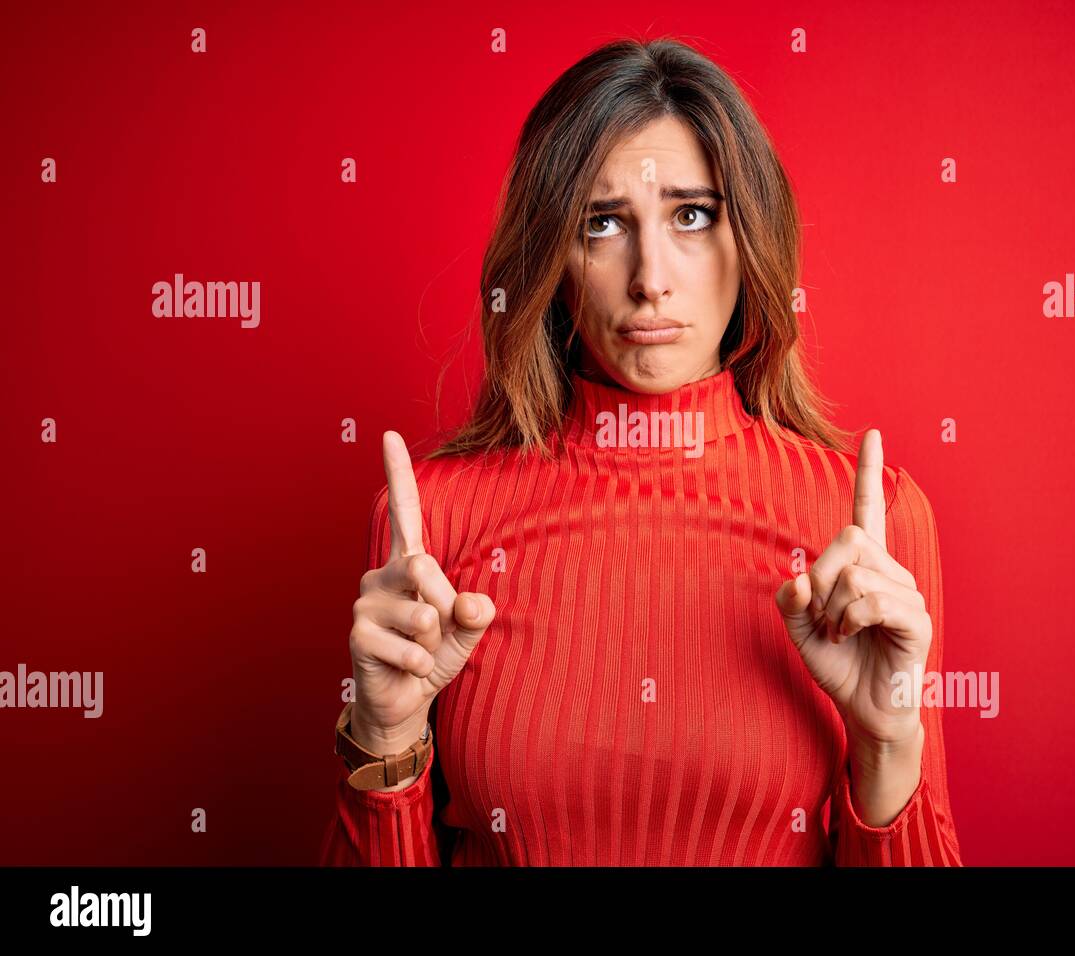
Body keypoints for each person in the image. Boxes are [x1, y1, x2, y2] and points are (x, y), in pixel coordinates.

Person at [319, 36, 962, 866]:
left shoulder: (866, 530)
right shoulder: (430, 524)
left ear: (751, 240)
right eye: (603, 223)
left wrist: (887, 746)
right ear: (552, 258)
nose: (649, 278)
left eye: (691, 215)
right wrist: (384, 743)